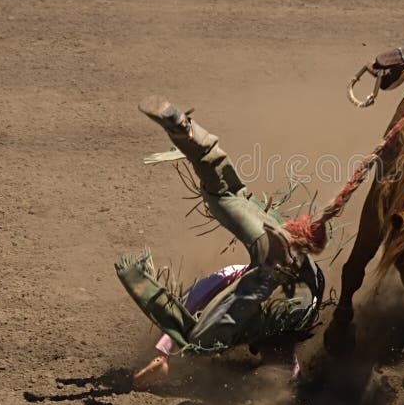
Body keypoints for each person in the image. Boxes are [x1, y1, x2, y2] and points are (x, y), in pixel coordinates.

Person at [124, 96, 327, 387]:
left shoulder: (269, 326)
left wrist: (163, 352)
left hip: (294, 281)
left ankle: (188, 132)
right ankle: (187, 132)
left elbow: (204, 294)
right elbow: (204, 294)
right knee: (228, 194)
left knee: (231, 194)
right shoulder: (275, 329)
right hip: (298, 286)